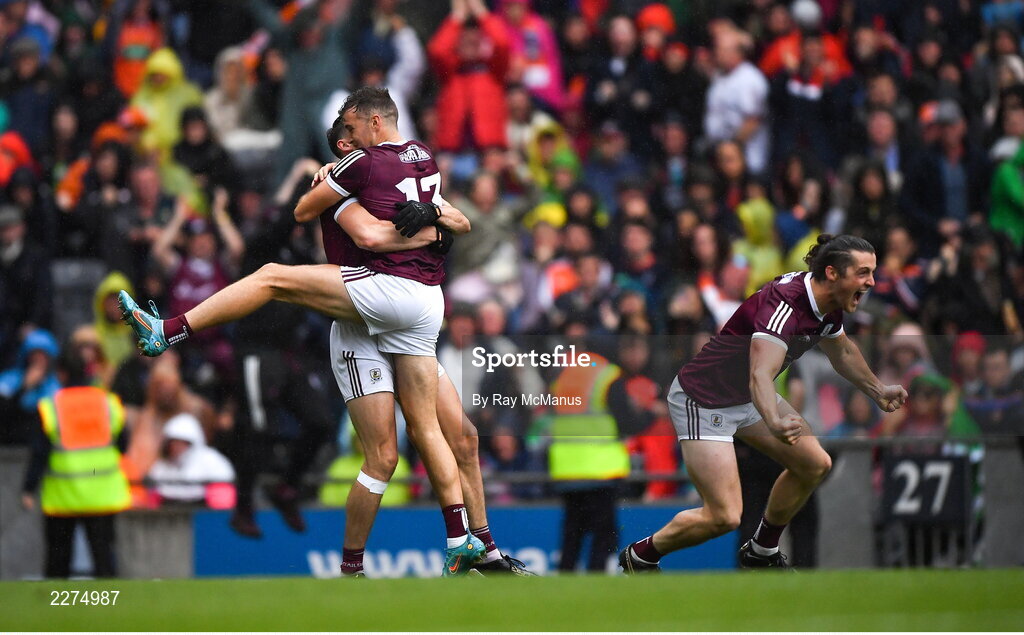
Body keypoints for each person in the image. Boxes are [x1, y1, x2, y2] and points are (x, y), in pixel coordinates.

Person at [119, 87, 529, 575]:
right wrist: (433, 230)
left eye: (353, 131)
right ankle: (358, 568)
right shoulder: (348, 180)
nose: (352, 143)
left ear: (371, 127)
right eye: (346, 139)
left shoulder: (398, 166)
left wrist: (436, 217)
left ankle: (480, 549)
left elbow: (452, 218)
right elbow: (370, 235)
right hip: (366, 317)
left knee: (461, 435)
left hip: (394, 304)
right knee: (383, 456)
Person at [619, 234, 908, 572]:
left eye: (871, 273)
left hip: (747, 394)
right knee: (723, 516)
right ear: (832, 273)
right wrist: (772, 420)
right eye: (862, 273)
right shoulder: (785, 306)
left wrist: (877, 390)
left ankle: (762, 548)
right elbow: (760, 373)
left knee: (815, 464)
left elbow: (842, 351)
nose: (871, 282)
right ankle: (641, 555)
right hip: (704, 399)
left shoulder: (827, 304)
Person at [20, 347, 131, 578]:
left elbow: (39, 454)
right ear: (87, 371)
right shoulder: (108, 403)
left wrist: (29, 488)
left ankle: (57, 608)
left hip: (63, 495)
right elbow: (124, 443)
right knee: (104, 559)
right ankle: (110, 607)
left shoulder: (51, 407)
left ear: (61, 374)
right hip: (102, 493)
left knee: (58, 561)